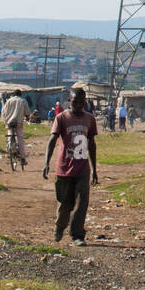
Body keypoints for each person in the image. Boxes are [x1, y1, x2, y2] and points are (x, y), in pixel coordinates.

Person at [43, 87, 98, 246]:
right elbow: (52, 140)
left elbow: (92, 144)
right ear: (69, 101)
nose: (78, 105)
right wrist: (46, 163)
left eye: (81, 102)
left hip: (82, 168)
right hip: (64, 169)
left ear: (85, 102)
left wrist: (94, 169)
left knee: (81, 204)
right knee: (64, 205)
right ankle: (60, 226)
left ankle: (77, 235)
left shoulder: (89, 119)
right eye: (75, 102)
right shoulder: (61, 118)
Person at [2, 90, 30, 167]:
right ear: (20, 95)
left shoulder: (8, 101)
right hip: (18, 123)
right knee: (20, 139)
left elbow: (3, 112)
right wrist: (27, 117)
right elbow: (27, 112)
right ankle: (23, 158)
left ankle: (9, 150)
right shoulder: (23, 101)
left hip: (9, 123)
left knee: (10, 136)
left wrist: (5, 120)